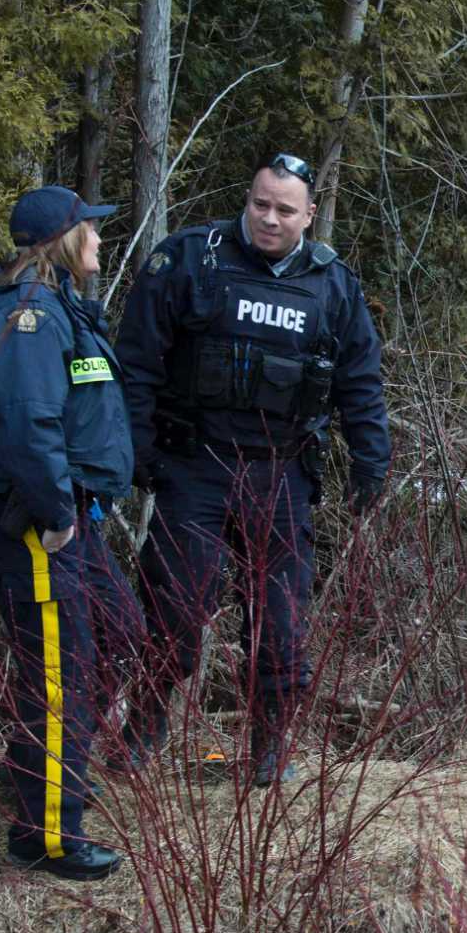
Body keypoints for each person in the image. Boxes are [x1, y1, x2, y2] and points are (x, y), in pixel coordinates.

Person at [116, 152, 391, 786]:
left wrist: (370, 463)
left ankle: (270, 746)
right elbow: (136, 364)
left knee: (281, 626)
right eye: (259, 204)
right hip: (195, 467)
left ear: (310, 216)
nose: (268, 219)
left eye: (284, 210)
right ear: (248, 198)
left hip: (282, 474)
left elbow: (361, 382)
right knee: (176, 612)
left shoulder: (333, 285)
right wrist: (136, 454)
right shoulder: (189, 259)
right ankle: (144, 726)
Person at [0, 185, 142, 881]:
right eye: (89, 227)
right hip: (35, 517)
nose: (99, 237)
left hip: (71, 513)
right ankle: (47, 834)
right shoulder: (28, 313)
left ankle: (28, 767)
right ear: (62, 240)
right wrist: (57, 513)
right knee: (65, 674)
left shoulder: (60, 307)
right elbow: (28, 422)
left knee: (120, 629)